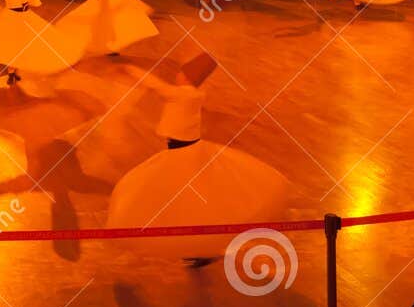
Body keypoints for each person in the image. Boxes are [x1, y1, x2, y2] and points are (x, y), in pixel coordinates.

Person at [106, 61, 289, 265]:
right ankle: (200, 247)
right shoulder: (191, 94)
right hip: (186, 151)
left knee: (155, 194)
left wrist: (128, 68)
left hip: (181, 155)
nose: (177, 76)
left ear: (187, 78)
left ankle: (197, 246)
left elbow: (156, 85)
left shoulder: (184, 94)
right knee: (191, 204)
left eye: (181, 74)